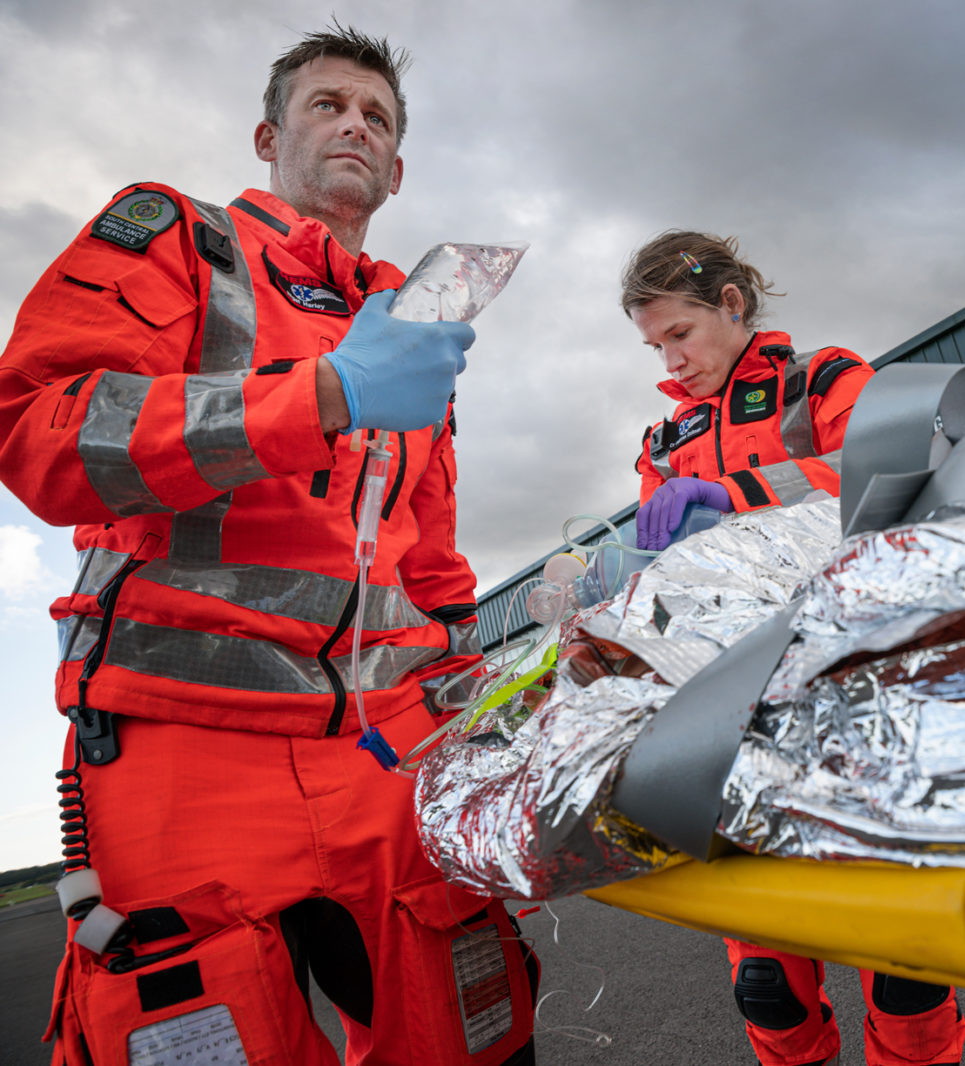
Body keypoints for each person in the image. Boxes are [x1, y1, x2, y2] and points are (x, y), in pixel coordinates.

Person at [0, 25, 537, 1065]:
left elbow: (427, 565)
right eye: (327, 105)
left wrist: (496, 699)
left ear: (397, 166)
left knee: (471, 1029)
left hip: (387, 753)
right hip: (184, 747)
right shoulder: (176, 240)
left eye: (377, 117)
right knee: (193, 1021)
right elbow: (39, 432)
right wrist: (324, 395)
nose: (355, 124)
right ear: (267, 135)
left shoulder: (418, 324)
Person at [622, 231, 965, 1066]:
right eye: (654, 344)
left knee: (905, 970)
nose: (670, 357)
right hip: (733, 722)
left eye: (679, 334)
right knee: (768, 987)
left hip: (856, 698)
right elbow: (654, 575)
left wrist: (735, 494)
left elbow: (903, 471)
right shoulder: (662, 445)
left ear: (731, 306)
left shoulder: (825, 381)